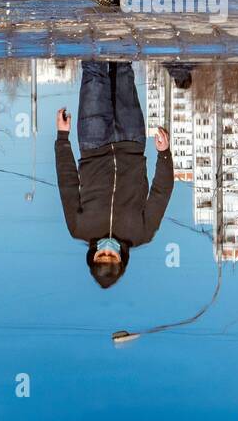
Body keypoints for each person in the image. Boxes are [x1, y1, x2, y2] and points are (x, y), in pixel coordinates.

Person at [56, 61, 172, 289]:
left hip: (93, 142)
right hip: (132, 140)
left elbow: (67, 183)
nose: (107, 251)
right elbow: (161, 192)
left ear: (92, 257)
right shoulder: (142, 233)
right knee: (123, 69)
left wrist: (62, 138)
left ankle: (92, 28)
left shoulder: (79, 229)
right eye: (112, 257)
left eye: (101, 256)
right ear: (122, 259)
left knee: (93, 71)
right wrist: (164, 155)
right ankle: (120, 29)